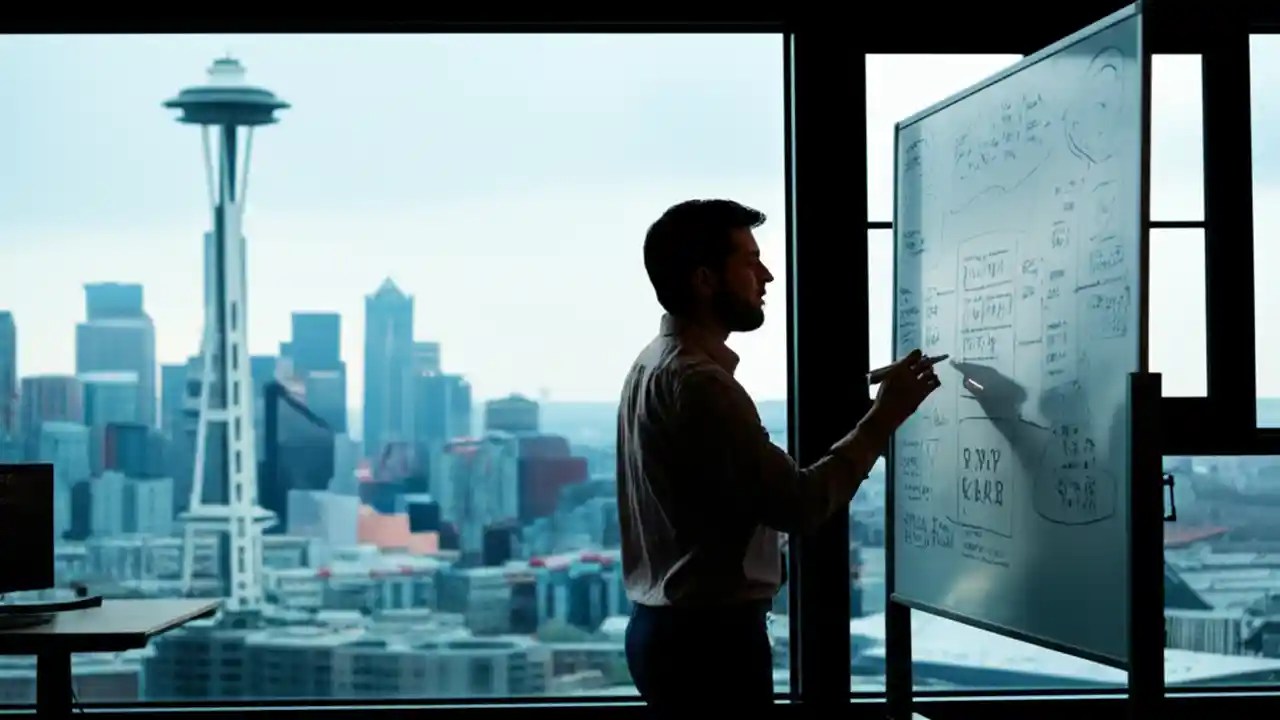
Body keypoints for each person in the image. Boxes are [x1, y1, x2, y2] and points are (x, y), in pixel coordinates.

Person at [617, 199, 942, 711]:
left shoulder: (653, 366)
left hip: (670, 632)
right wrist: (884, 418)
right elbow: (799, 504)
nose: (766, 275)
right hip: (709, 645)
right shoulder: (701, 383)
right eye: (749, 261)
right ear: (705, 279)